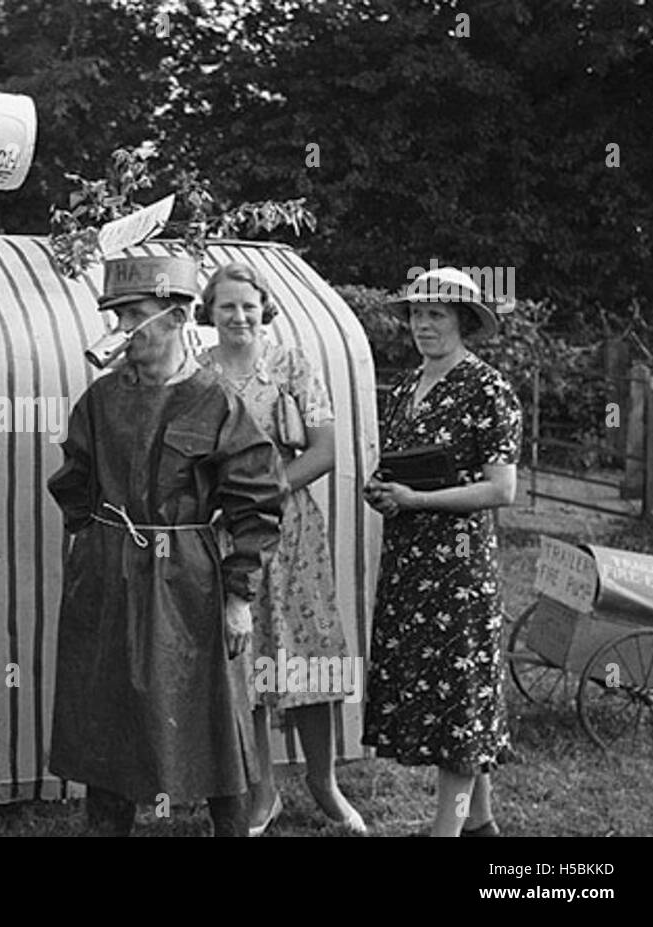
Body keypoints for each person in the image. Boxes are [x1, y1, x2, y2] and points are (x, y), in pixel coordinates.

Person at [49, 252, 288, 837]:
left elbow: (257, 503)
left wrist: (238, 596)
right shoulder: (100, 400)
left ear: (177, 317)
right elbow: (74, 481)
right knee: (106, 712)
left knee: (213, 718)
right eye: (117, 316)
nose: (123, 329)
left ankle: (232, 827)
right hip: (106, 578)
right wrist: (97, 546)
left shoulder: (216, 401)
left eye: (135, 315)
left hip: (187, 583)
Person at [197, 262, 366, 835]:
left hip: (291, 529)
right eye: (226, 306)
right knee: (242, 657)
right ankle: (261, 790)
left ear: (264, 308)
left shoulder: (292, 364)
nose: (239, 316)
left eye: (248, 305)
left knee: (309, 651)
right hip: (226, 532)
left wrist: (261, 495)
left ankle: (324, 783)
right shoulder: (198, 374)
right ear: (209, 312)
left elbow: (324, 452)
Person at [362, 266, 522, 837]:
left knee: (458, 701)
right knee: (447, 693)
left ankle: (445, 832)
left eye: (437, 314)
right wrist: (384, 491)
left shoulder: (487, 388)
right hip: (410, 562)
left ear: (463, 322)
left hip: (458, 568)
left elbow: (501, 489)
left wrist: (419, 499)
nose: (423, 324)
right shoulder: (407, 386)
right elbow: (398, 466)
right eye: (417, 313)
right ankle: (479, 824)